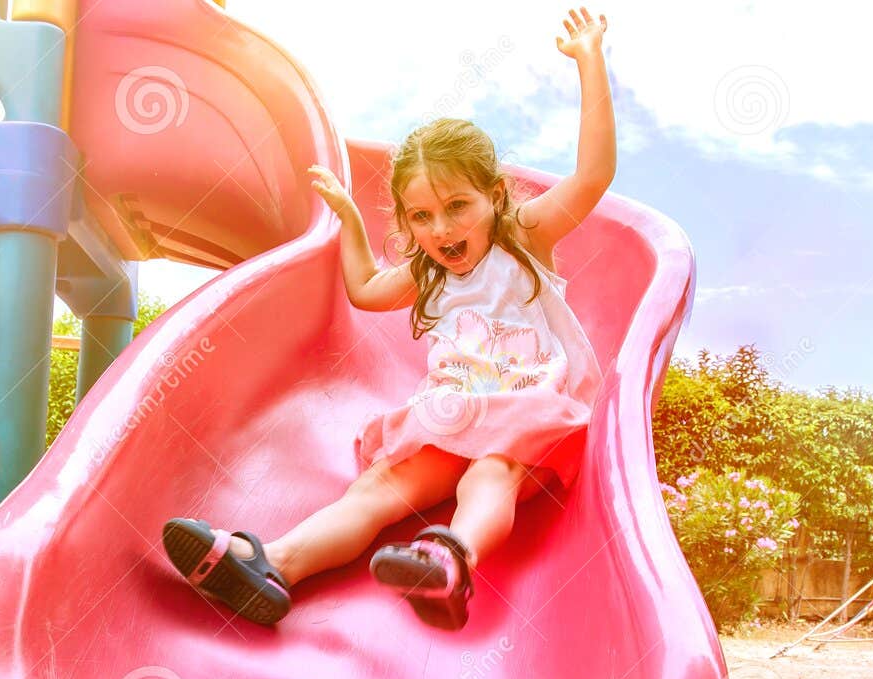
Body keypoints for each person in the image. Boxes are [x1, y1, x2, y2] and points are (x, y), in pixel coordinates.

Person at [163, 7, 614, 631]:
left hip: (524, 413)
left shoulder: (521, 239)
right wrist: (351, 222)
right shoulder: (430, 272)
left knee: (490, 473)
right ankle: (273, 566)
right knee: (379, 489)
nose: (441, 229)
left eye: (458, 206)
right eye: (421, 217)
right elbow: (367, 290)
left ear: (497, 197)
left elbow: (593, 176)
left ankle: (451, 561)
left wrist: (590, 60)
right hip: (451, 411)